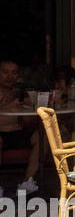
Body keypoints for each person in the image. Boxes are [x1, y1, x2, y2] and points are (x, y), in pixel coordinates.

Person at [0, 59, 41, 194]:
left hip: (18, 132)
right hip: (1, 133)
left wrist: (29, 110)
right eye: (5, 72)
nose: (10, 77)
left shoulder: (18, 92)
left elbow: (27, 121)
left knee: (41, 137)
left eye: (14, 73)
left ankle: (27, 182)